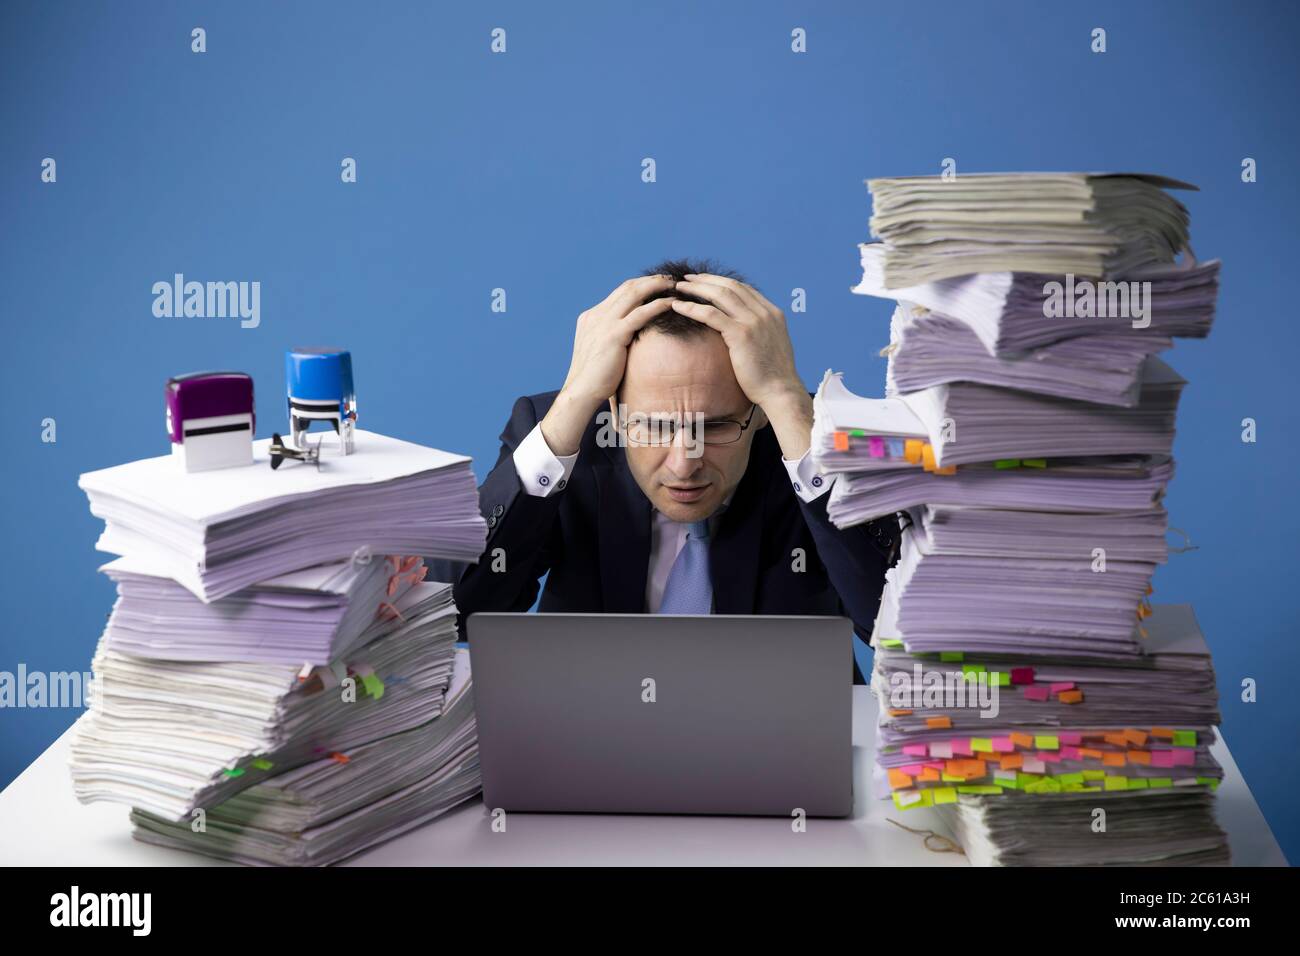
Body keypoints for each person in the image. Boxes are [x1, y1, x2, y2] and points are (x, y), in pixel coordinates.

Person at [429, 258, 898, 683]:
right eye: (652, 426)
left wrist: (788, 404)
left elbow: (894, 625)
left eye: (715, 426)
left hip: (795, 738)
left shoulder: (805, 434)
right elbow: (455, 611)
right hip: (592, 735)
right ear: (611, 410)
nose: (683, 464)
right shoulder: (568, 435)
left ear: (757, 412)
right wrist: (574, 402)